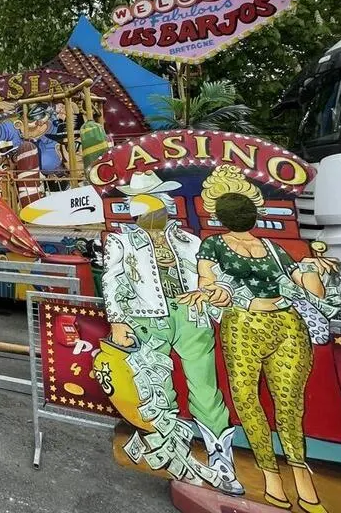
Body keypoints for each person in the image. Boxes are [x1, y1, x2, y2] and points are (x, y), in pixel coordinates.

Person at [182, 165, 340, 512]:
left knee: (290, 405)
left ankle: (301, 475)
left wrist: (314, 268)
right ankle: (270, 475)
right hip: (243, 324)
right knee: (247, 401)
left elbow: (306, 285)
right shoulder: (213, 247)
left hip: (287, 325)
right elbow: (207, 283)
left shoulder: (272, 247)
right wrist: (218, 293)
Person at [103, 171, 242, 495]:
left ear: (165, 202)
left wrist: (217, 291)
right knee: (156, 391)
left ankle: (221, 460)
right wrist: (119, 321)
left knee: (206, 390)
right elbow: (112, 282)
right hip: (146, 321)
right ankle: (173, 456)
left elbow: (215, 276)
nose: (150, 208)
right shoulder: (121, 240)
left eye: (155, 200)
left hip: (192, 318)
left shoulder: (191, 241)